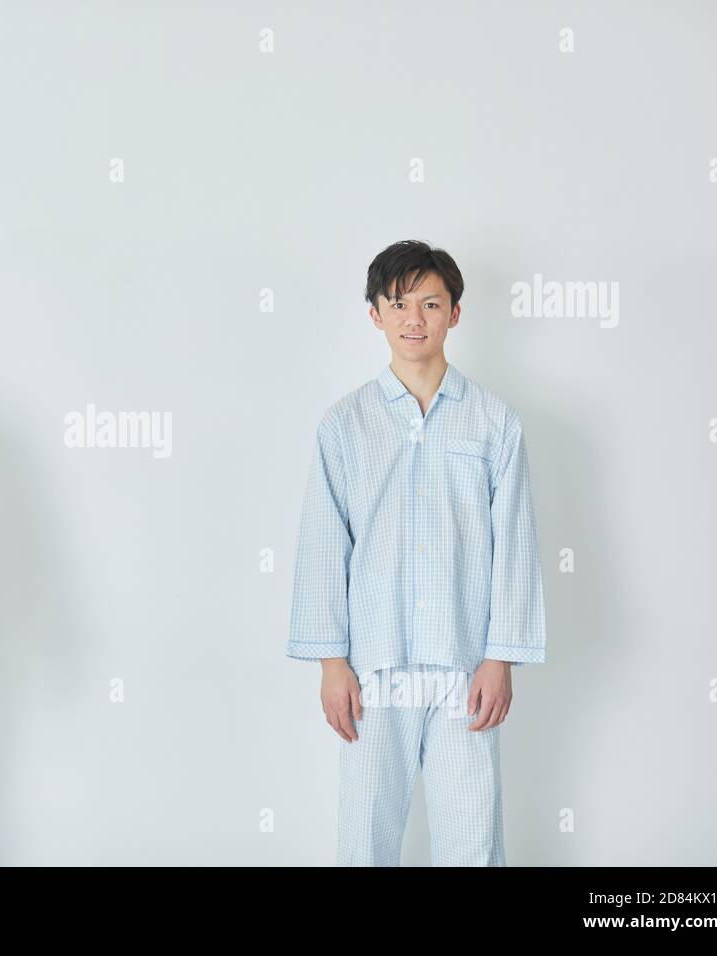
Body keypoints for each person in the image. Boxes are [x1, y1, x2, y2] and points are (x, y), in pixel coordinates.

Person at [287, 240, 546, 866]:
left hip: (464, 670)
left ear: (454, 313)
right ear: (374, 313)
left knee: (473, 844)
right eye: (399, 304)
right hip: (373, 670)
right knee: (366, 843)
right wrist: (331, 663)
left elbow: (514, 543)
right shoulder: (344, 425)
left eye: (431, 304)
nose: (414, 319)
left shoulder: (493, 422)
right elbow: (325, 544)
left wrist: (499, 658)